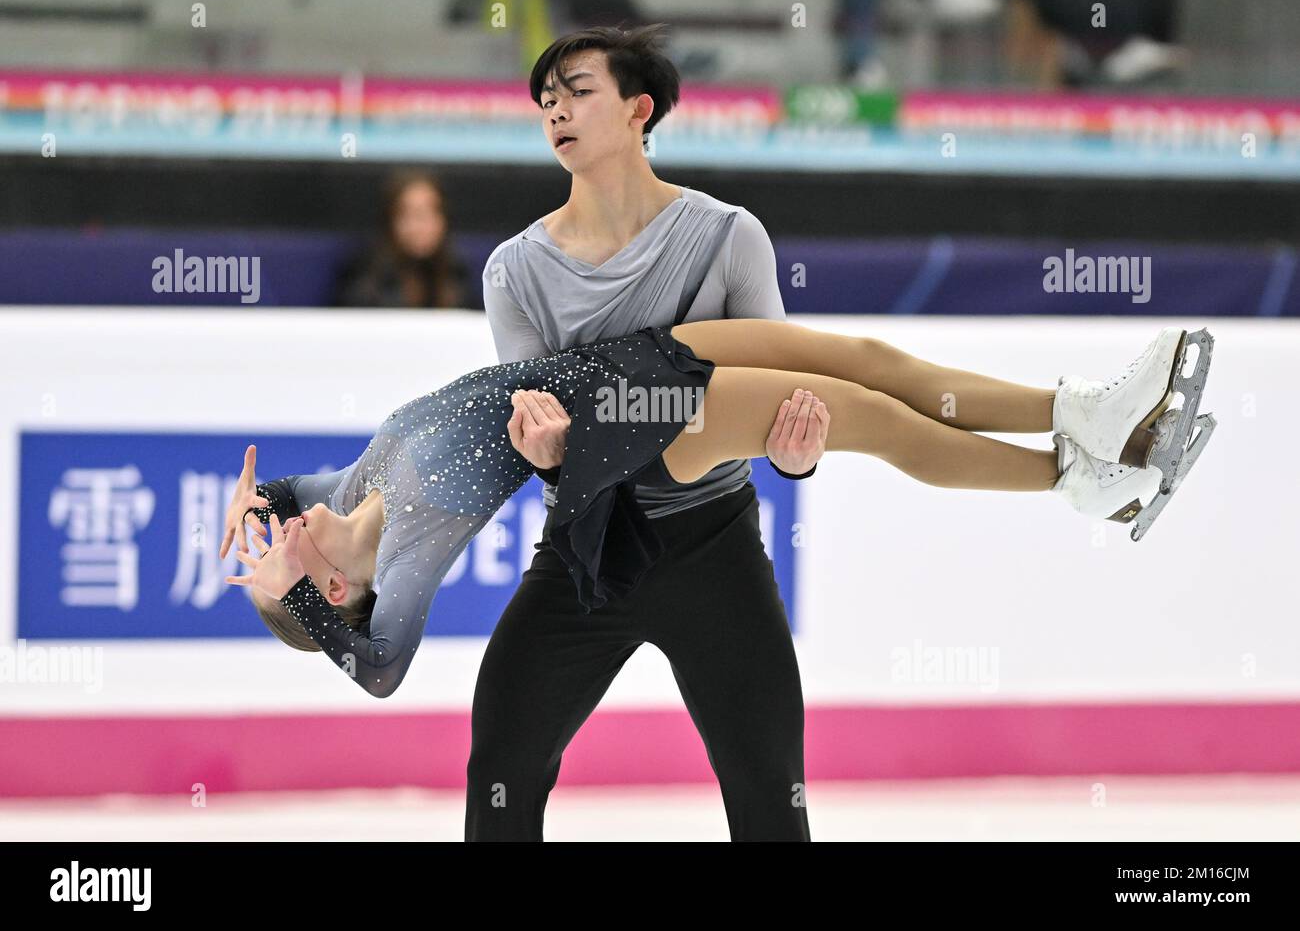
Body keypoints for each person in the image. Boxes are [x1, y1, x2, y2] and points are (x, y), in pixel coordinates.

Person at [220, 318, 1200, 757]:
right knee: (858, 413)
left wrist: (256, 513)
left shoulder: (344, 489)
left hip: (615, 360)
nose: (278, 538)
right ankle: (1074, 480)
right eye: (286, 570)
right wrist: (298, 600)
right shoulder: (405, 553)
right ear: (335, 594)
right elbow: (381, 669)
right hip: (625, 422)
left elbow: (284, 491)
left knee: (855, 356)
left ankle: (1081, 408)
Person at [470, 23, 824, 843]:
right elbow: (545, 423)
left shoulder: (729, 236)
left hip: (716, 546)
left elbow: (773, 392)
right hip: (586, 550)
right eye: (545, 100)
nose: (556, 110)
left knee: (771, 783)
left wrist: (792, 456)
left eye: (577, 91)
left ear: (639, 110)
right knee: (500, 768)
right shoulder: (514, 270)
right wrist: (544, 453)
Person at [333, 169, 477, 310]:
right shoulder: (363, 278)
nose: (420, 225)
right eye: (409, 214)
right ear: (390, 221)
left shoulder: (458, 275)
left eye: (429, 213)